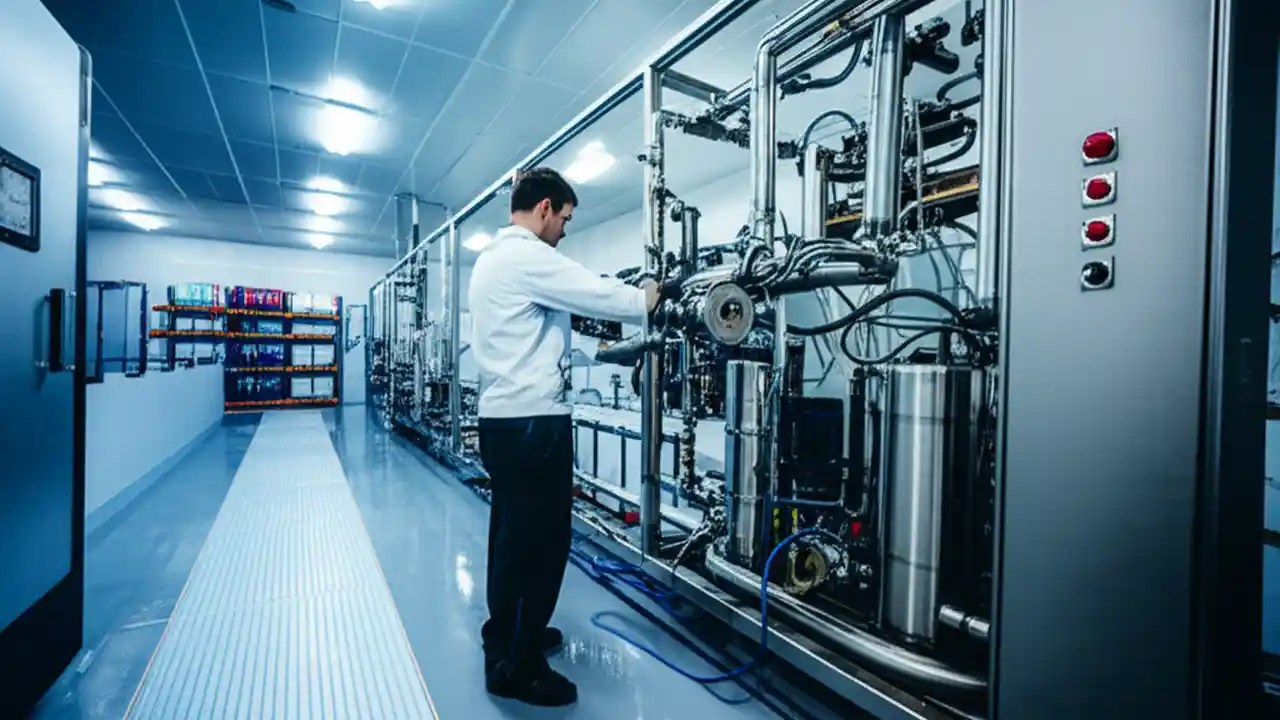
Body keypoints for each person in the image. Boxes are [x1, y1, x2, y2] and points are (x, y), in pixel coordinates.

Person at [468, 167, 659, 706]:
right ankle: (518, 669)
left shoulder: (492, 258)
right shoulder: (527, 256)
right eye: (566, 220)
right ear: (546, 208)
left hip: (503, 422)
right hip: (534, 426)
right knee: (542, 547)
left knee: (509, 540)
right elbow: (588, 289)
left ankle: (504, 634)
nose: (564, 232)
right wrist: (645, 299)